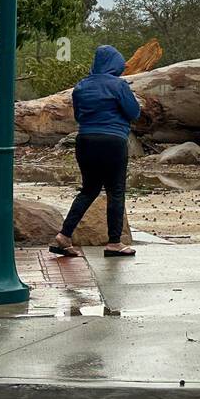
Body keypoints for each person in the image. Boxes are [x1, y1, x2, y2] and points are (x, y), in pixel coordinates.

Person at [51, 45, 140, 258]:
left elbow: (79, 116)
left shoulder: (81, 86)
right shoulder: (119, 85)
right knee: (115, 191)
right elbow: (134, 112)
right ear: (115, 64)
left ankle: (64, 236)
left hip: (85, 141)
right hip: (112, 141)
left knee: (88, 190)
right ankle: (114, 243)